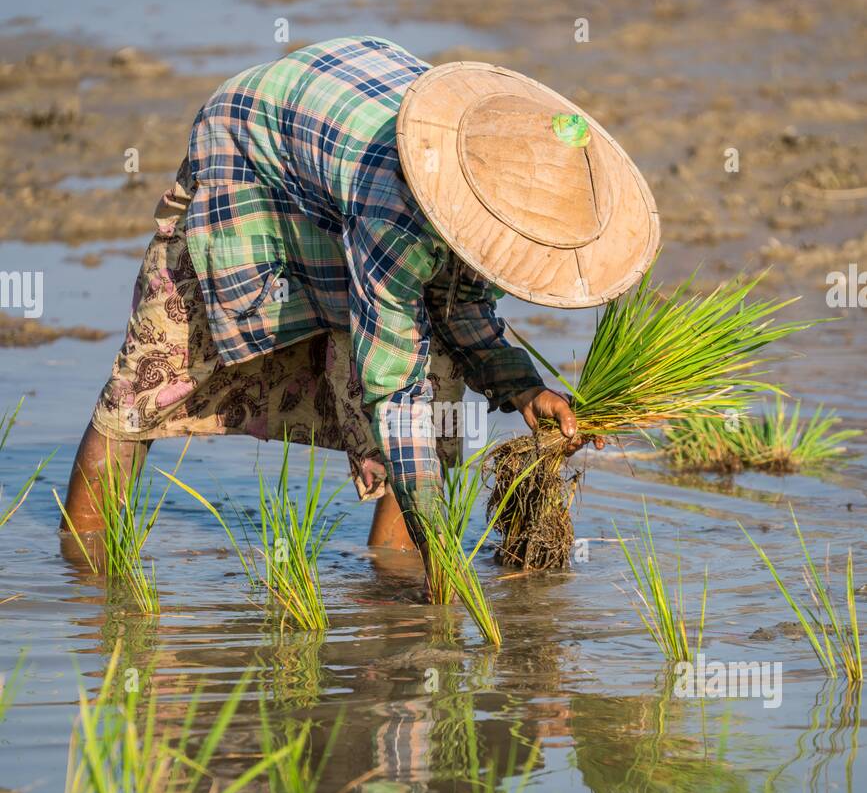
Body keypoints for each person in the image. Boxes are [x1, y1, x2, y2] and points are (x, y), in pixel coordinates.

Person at [63, 35, 658, 557]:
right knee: (155, 371)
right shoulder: (398, 205)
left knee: (438, 379)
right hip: (248, 149)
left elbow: (460, 305)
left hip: (335, 151)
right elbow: (395, 390)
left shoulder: (494, 200)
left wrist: (523, 387)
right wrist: (441, 543)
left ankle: (392, 582)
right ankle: (86, 564)